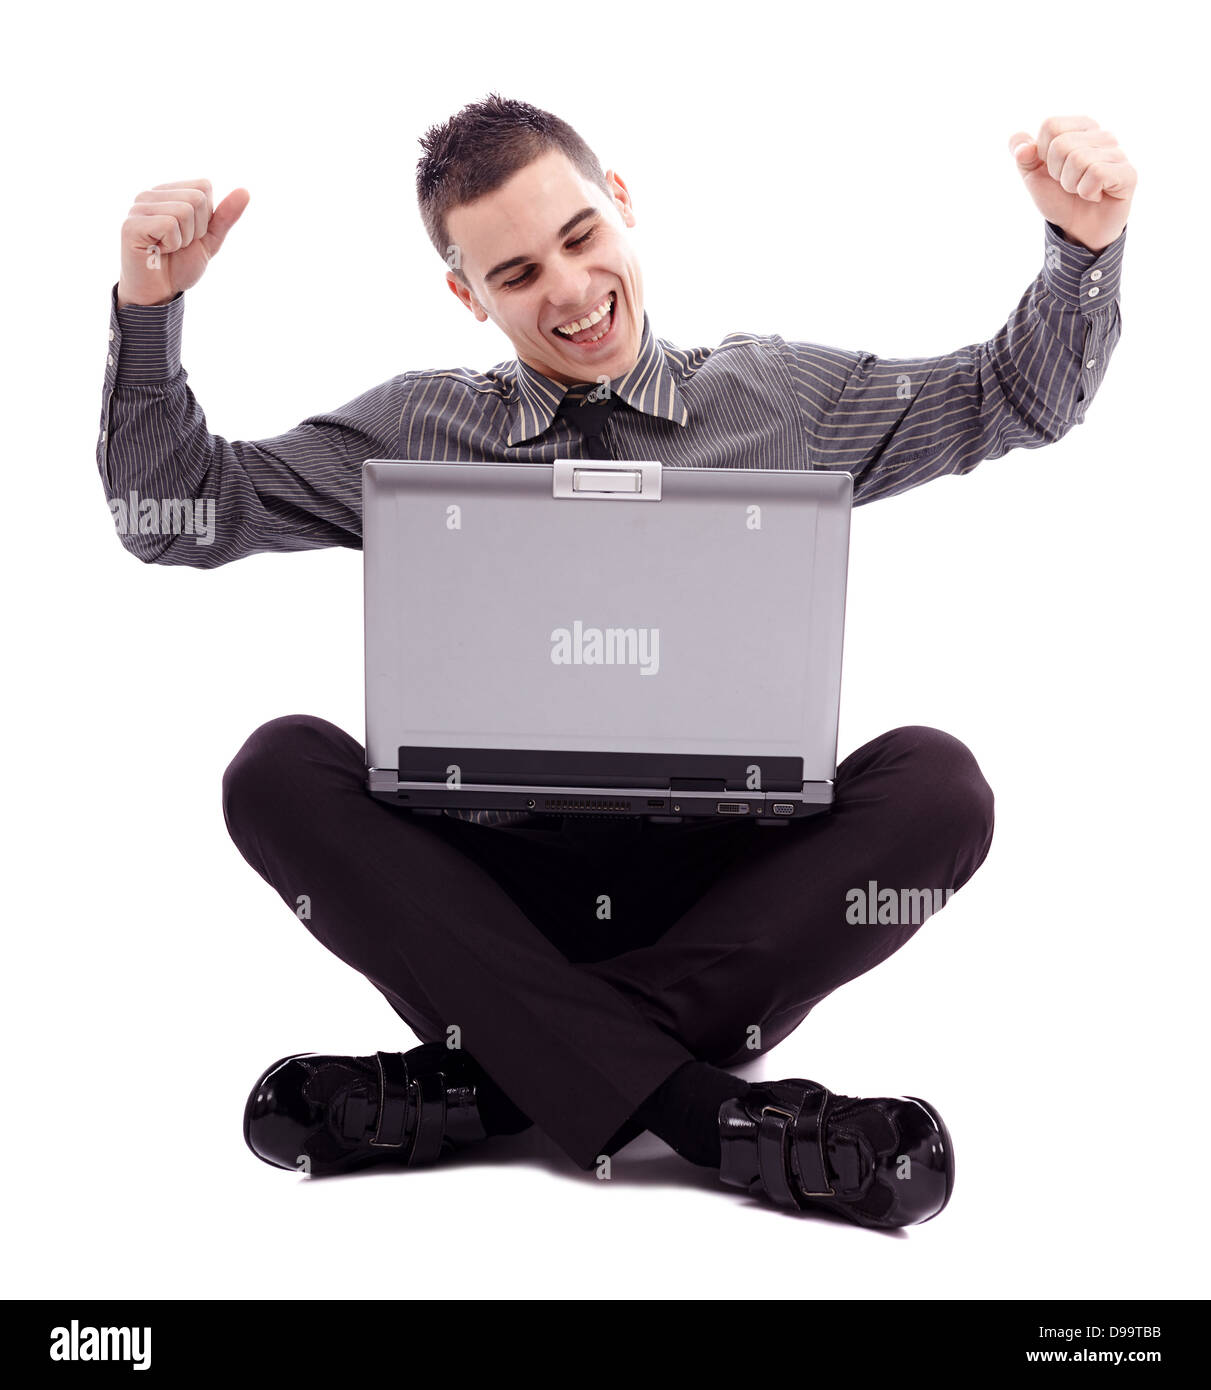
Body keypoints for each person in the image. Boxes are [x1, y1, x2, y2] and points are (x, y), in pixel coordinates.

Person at [96, 94, 1133, 1228]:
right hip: (491, 896)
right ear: (468, 295)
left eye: (581, 238)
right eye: (518, 273)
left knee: (939, 786)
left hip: (720, 909)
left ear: (621, 207)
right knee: (276, 768)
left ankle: (493, 1080)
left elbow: (1011, 395)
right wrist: (150, 312)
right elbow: (177, 514)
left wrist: (1079, 247)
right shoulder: (410, 432)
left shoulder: (782, 402)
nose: (571, 293)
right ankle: (703, 1116)